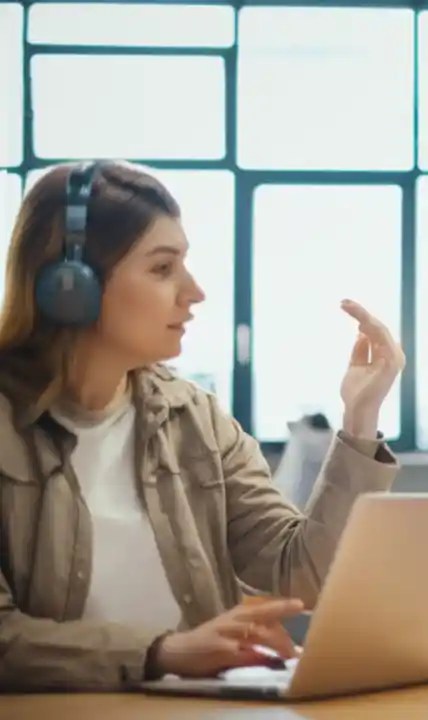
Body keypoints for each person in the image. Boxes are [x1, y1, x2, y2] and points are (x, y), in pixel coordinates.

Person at [0, 161, 406, 691]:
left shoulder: (197, 419)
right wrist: (162, 653)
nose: (194, 292)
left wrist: (360, 419)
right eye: (163, 269)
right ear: (71, 287)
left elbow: (302, 572)